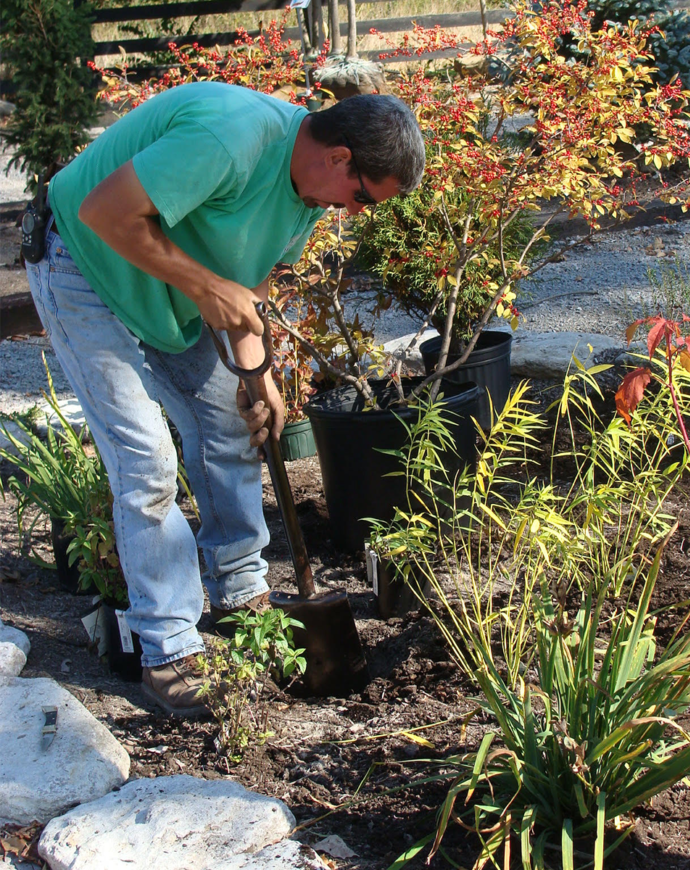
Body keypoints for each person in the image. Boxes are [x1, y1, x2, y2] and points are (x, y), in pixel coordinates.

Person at [24, 82, 425, 716]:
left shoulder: (307, 194)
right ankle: (168, 647)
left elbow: (246, 290)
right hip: (83, 261)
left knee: (236, 429)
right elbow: (106, 212)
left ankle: (241, 594)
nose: (356, 212)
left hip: (167, 286)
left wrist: (256, 377)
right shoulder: (233, 137)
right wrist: (206, 285)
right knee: (147, 460)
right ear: (341, 158)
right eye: (363, 197)